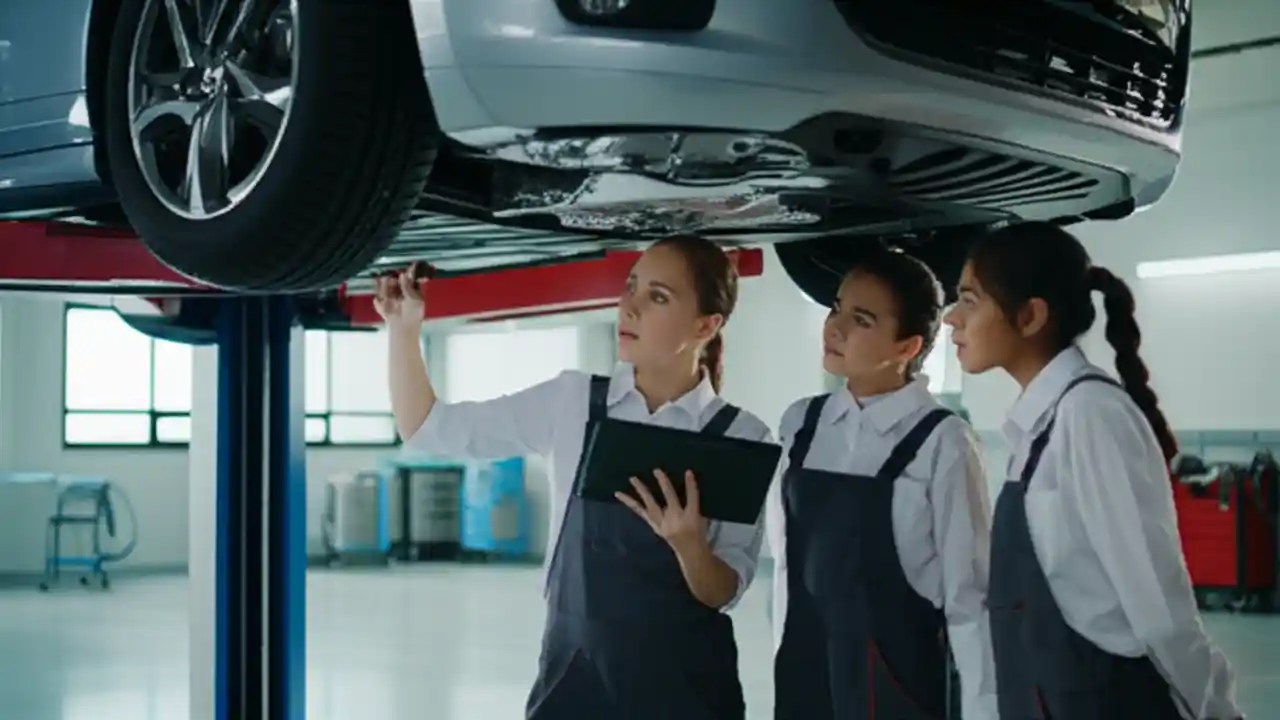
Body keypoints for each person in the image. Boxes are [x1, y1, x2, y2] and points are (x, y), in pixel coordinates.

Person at [375, 236, 772, 720]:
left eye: (658, 297)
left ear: (706, 325)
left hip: (685, 691)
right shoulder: (571, 403)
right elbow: (427, 428)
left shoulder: (741, 437)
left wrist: (690, 545)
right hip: (575, 681)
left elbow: (724, 591)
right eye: (631, 288)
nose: (629, 306)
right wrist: (402, 329)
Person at [944, 222, 1243, 720]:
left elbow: (1157, 605)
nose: (953, 318)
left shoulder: (1091, 415)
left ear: (1031, 315)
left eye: (970, 300)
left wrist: (1215, 710)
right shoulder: (1040, 424)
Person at [768, 246, 998, 720]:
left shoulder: (942, 442)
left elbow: (968, 599)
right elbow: (788, 578)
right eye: (836, 308)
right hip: (808, 677)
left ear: (907, 347)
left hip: (898, 687)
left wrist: (983, 709)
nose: (835, 327)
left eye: (863, 319)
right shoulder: (801, 425)